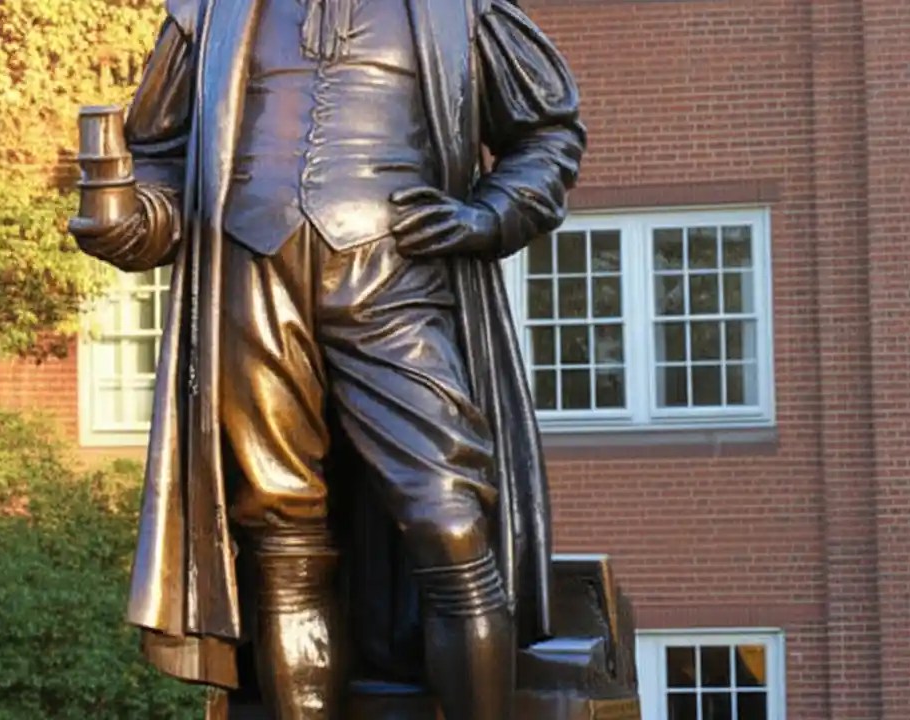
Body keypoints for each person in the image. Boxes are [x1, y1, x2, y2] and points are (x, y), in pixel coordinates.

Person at [70, 0, 584, 716]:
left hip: (397, 281)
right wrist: (131, 218)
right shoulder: (208, 13)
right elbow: (162, 156)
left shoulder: (462, 7)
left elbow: (547, 131)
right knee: (280, 532)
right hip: (253, 279)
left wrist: (489, 214)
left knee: (450, 518)